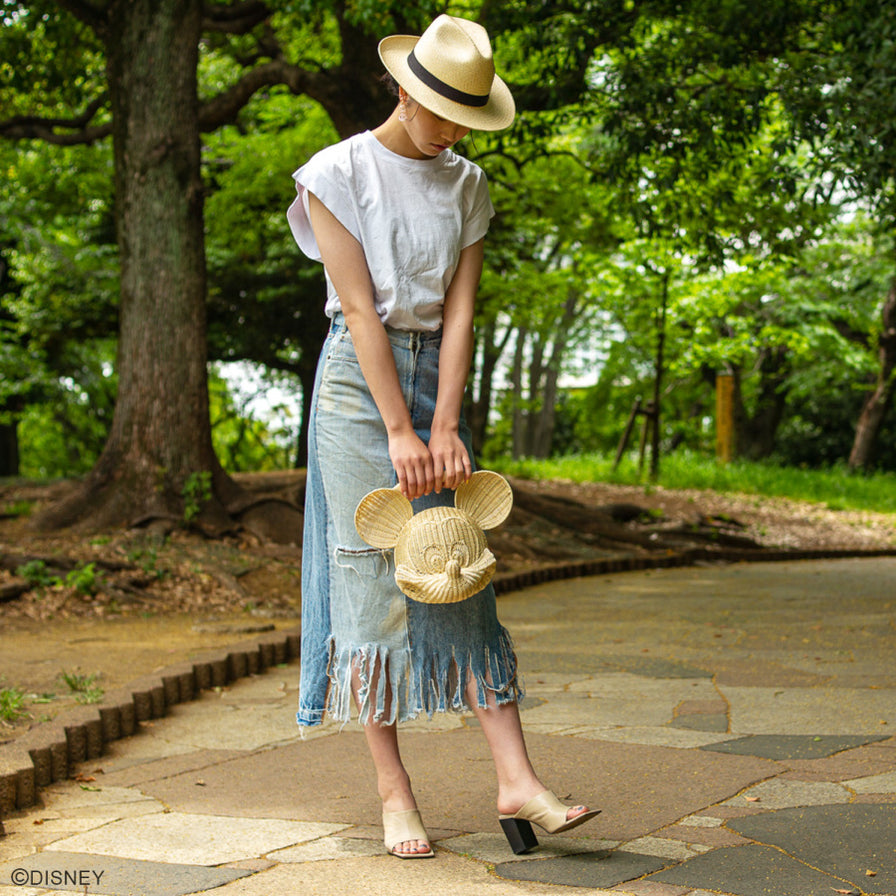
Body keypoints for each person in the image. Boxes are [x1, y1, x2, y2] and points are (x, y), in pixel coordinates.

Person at [287, 13, 599, 859]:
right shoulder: (337, 173)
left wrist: (447, 420)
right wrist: (397, 427)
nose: (457, 131)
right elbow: (357, 311)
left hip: (437, 378)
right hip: (359, 386)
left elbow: (462, 310)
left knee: (459, 565)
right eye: (445, 113)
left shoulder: (467, 186)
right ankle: (395, 793)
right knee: (373, 578)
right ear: (405, 90)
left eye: (468, 115)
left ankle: (517, 781)